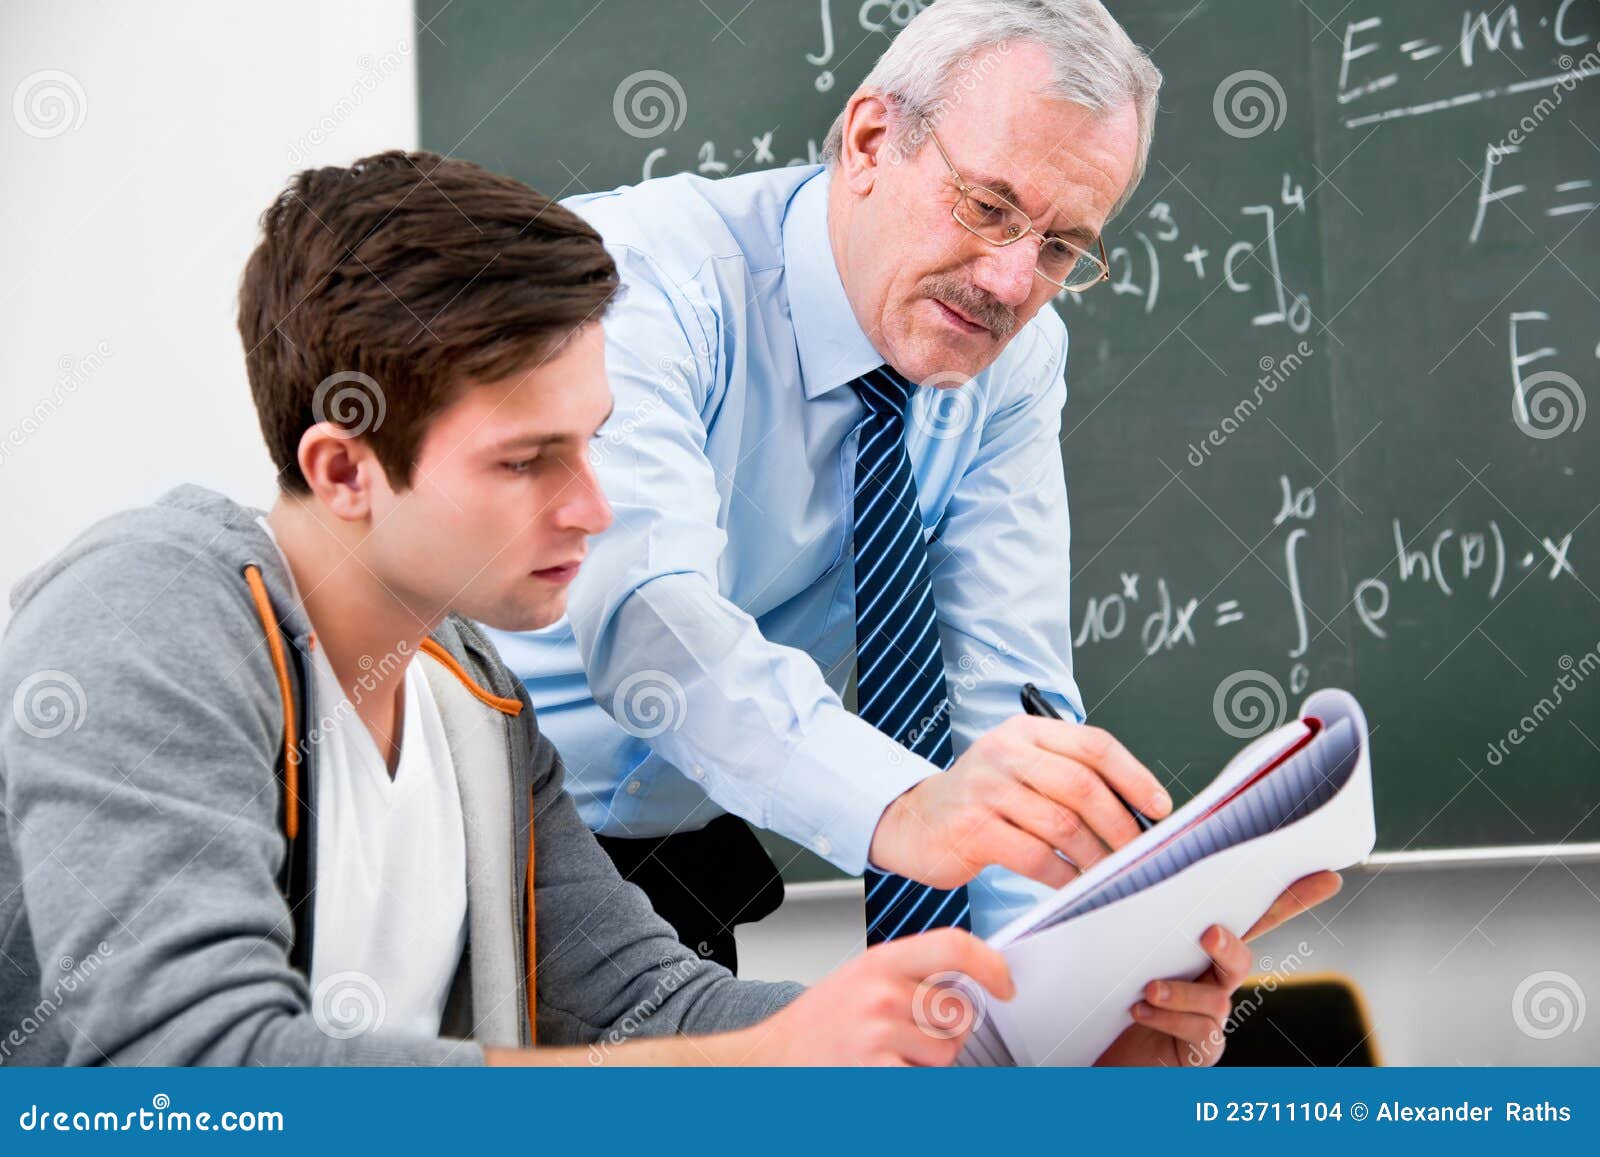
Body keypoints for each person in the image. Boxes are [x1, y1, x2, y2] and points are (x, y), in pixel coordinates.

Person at [0, 150, 1019, 1067]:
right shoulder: (149, 614)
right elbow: (189, 1066)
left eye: (591, 443)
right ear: (344, 467)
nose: (593, 508)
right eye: (528, 461)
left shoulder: (475, 697)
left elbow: (645, 1000)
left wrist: (999, 1042)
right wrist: (733, 1065)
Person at [489, 0, 1342, 973]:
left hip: (686, 877)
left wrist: (1057, 979)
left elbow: (1003, 688)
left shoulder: (1015, 362)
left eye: (1061, 247)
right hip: (482, 847)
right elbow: (651, 626)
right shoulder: (642, 283)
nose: (1014, 282)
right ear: (869, 140)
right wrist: (906, 807)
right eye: (986, 207)